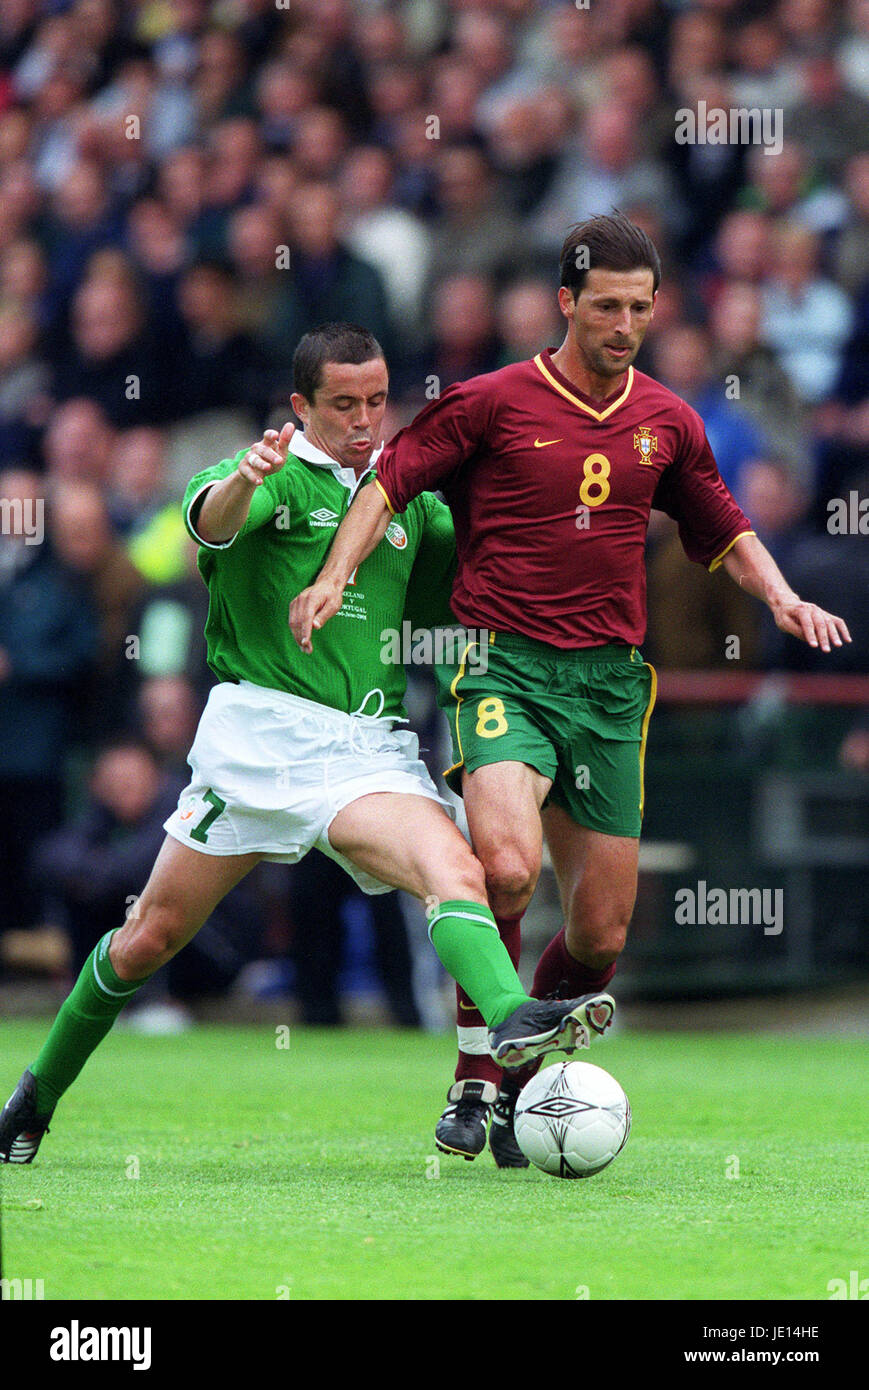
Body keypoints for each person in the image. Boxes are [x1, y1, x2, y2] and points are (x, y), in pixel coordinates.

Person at [290, 215, 852, 1168]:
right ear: (565, 303)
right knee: (505, 868)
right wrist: (339, 572)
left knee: (600, 935)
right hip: (502, 662)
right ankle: (476, 1075)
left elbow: (721, 523)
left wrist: (784, 595)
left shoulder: (667, 421)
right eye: (605, 306)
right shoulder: (488, 402)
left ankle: (516, 1087)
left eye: (639, 308)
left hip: (608, 685)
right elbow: (386, 482)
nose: (624, 324)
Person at [0, 322, 615, 1165]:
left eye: (375, 401)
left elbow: (475, 583)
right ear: (301, 406)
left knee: (458, 870)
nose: (364, 421)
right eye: (342, 405)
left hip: (365, 751)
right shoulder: (275, 473)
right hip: (258, 743)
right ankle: (38, 1093)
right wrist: (241, 480)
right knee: (149, 935)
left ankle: (504, 1029)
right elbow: (214, 520)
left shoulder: (415, 505)